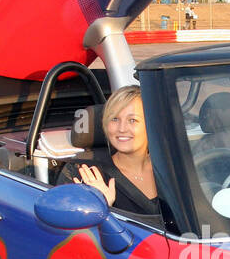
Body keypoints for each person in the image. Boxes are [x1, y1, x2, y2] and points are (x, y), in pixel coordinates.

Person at [56, 85, 160, 216]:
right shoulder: (82, 173)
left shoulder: (172, 169)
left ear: (150, 125)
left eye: (132, 120)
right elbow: (67, 226)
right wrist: (101, 208)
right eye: (115, 119)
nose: (122, 128)